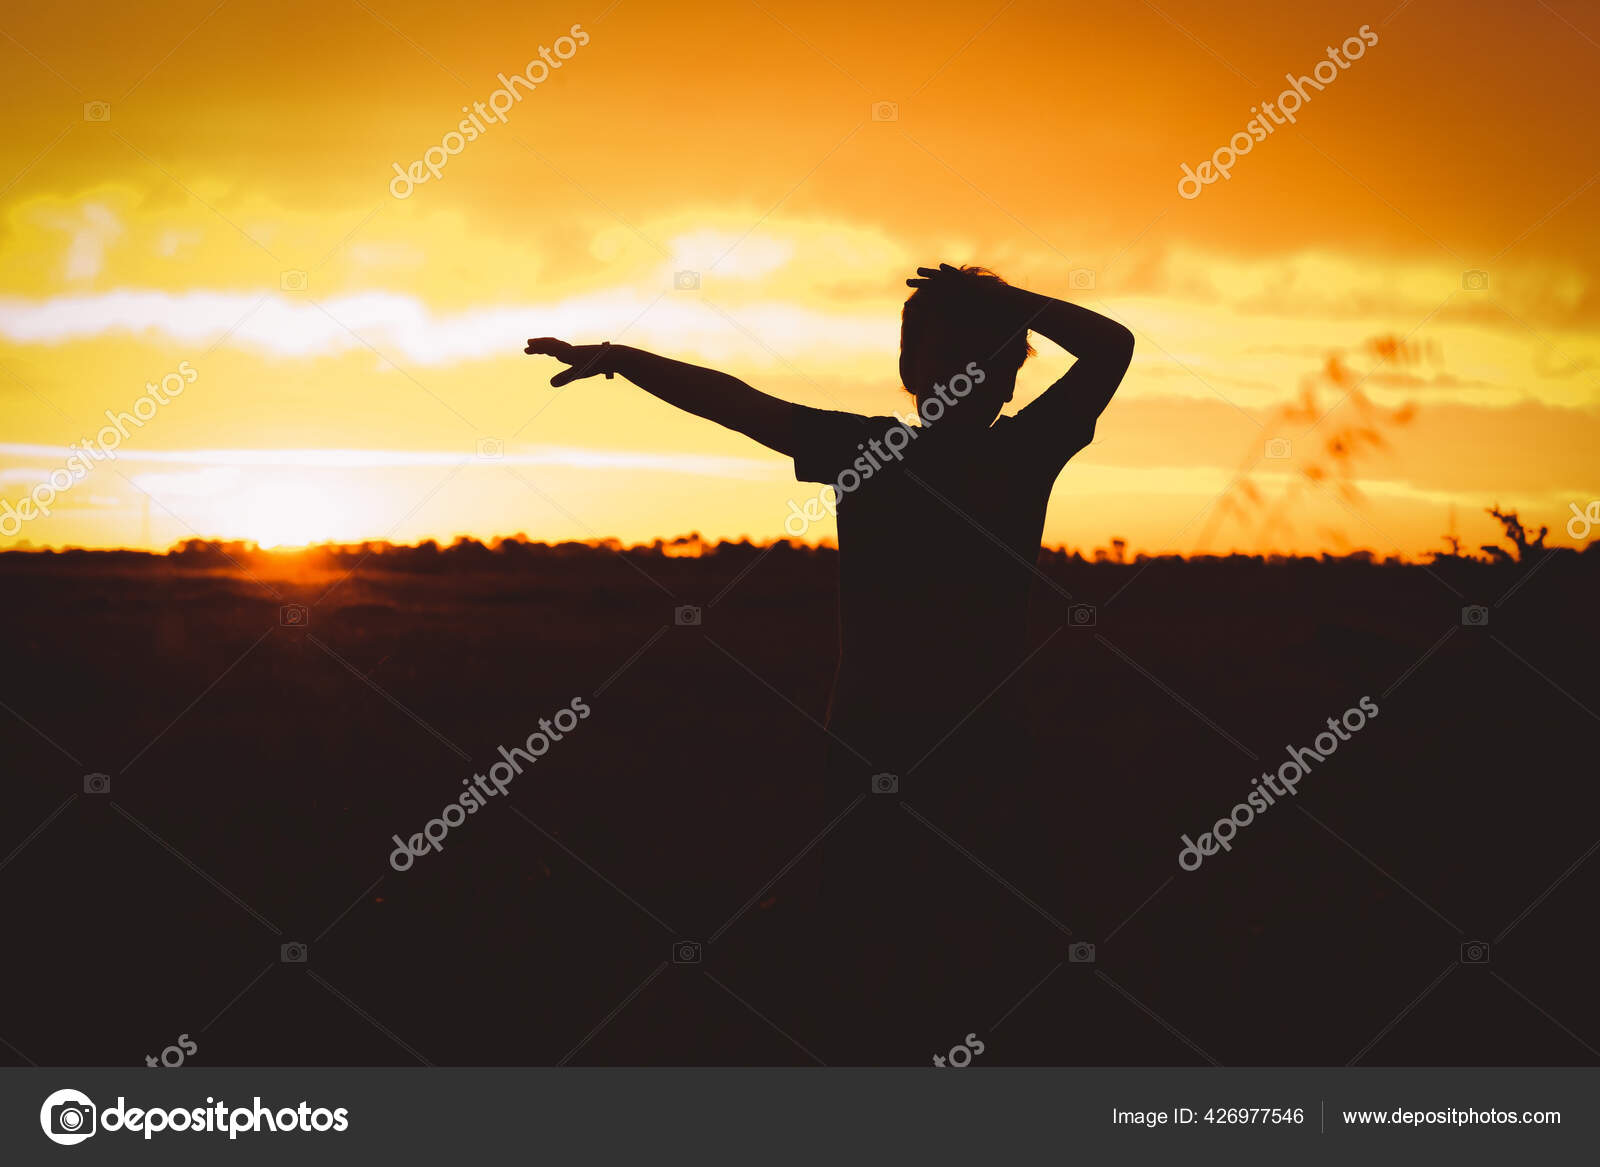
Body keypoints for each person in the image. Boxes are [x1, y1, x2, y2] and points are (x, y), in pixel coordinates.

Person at [526, 264, 1133, 1060]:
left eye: (967, 352)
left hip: (916, 739)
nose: (957, 371)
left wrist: (619, 357)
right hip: (920, 740)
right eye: (954, 353)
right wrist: (620, 358)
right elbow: (1109, 348)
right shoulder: (997, 449)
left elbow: (741, 405)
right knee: (938, 942)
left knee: (924, 941)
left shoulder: (896, 449)